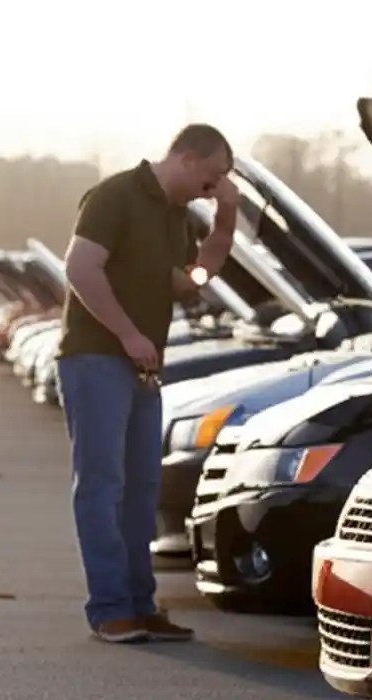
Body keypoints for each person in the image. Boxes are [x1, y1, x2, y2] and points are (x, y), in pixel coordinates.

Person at [57, 124, 238, 643]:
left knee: (142, 488)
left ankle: (140, 603)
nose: (213, 188)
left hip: (140, 366)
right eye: (211, 178)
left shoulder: (177, 216)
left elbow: (191, 280)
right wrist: (129, 333)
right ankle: (110, 608)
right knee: (102, 485)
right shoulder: (115, 196)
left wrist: (226, 217)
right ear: (185, 158)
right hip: (95, 359)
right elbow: (80, 268)